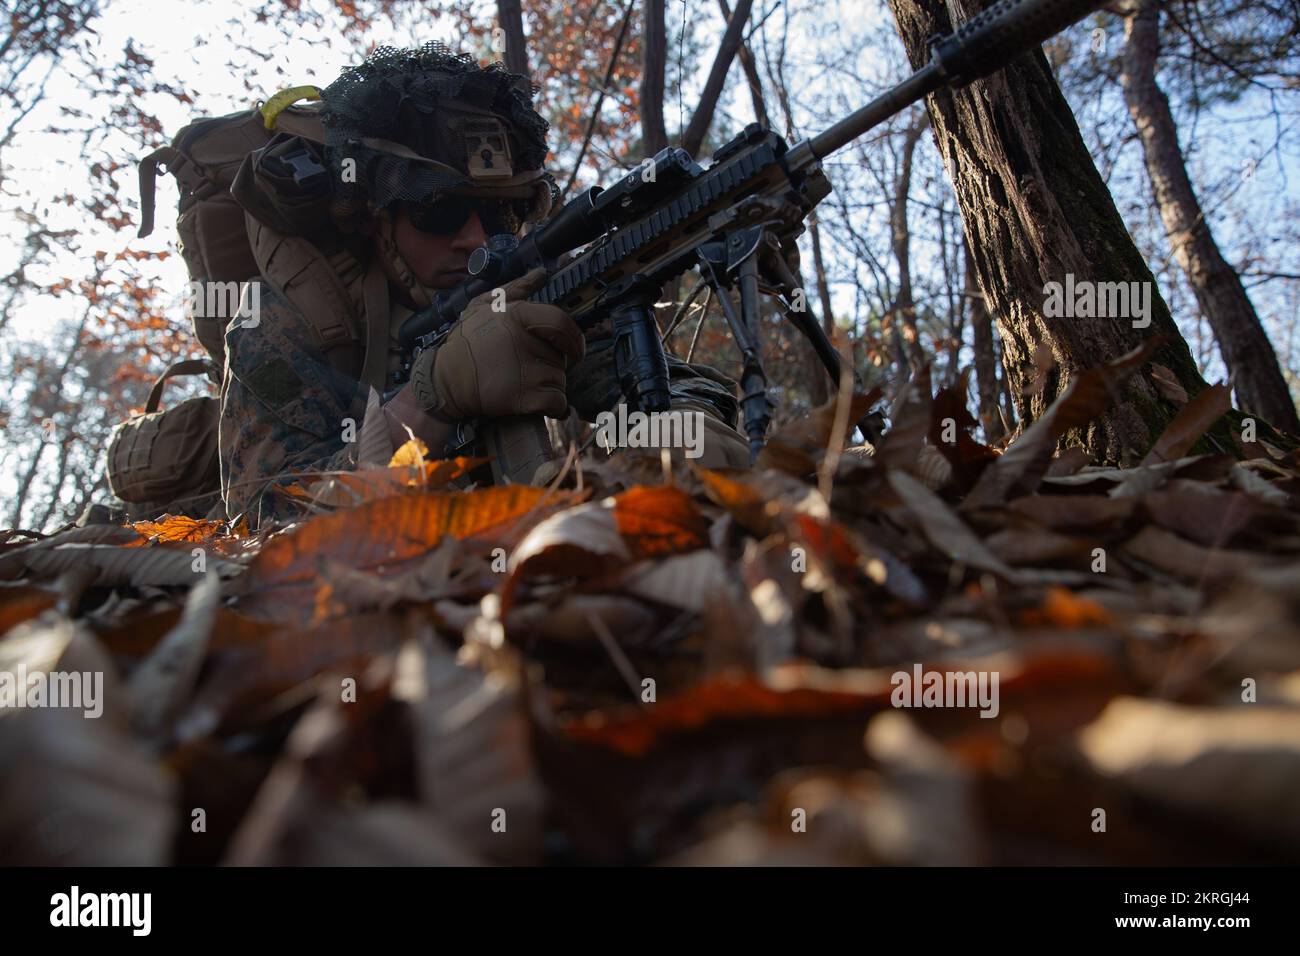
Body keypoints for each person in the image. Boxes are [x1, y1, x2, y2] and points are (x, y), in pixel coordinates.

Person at [219, 43, 748, 528]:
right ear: (371, 219)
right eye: (440, 211)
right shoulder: (286, 316)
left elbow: (648, 377)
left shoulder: (537, 283)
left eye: (500, 214)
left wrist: (686, 430)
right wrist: (429, 403)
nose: (476, 238)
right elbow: (260, 521)